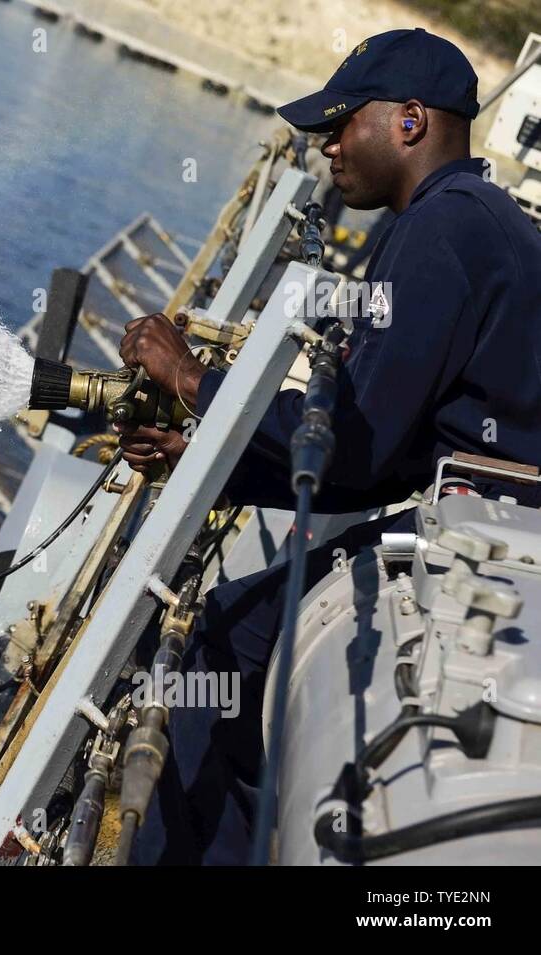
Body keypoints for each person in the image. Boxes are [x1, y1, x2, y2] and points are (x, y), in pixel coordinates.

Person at [115, 28, 541, 864]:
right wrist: (214, 462)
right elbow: (390, 453)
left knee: (227, 635)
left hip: (482, 533)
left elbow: (353, 449)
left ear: (411, 121)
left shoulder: (440, 235)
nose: (327, 144)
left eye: (344, 122)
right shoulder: (481, 219)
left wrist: (193, 379)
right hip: (483, 512)